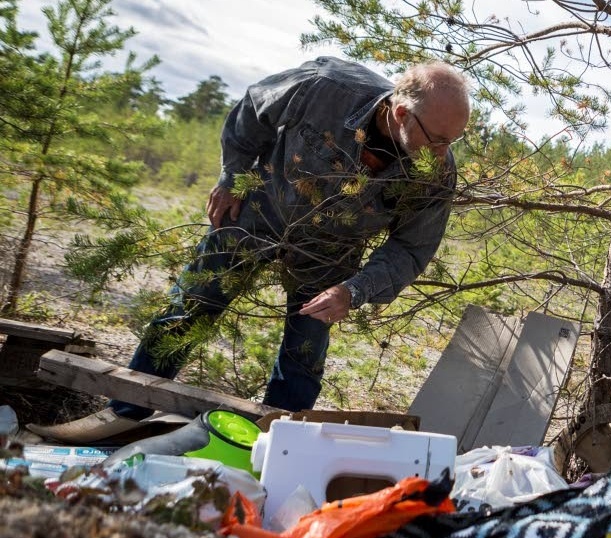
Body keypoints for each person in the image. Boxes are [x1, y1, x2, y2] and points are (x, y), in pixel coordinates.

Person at [94, 57, 470, 425]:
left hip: (330, 256)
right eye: (437, 140)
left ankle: (274, 441)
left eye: (452, 141)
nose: (441, 154)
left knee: (303, 358)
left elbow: (411, 248)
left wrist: (353, 291)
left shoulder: (436, 172)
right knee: (190, 306)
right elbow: (255, 109)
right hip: (258, 213)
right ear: (401, 113)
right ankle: (125, 413)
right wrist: (232, 177)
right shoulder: (325, 86)